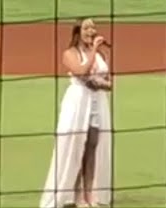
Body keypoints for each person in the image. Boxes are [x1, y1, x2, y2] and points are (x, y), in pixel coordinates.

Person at [41, 18, 113, 208]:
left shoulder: (101, 56)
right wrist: (94, 52)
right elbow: (81, 71)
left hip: (98, 104)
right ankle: (73, 194)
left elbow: (109, 82)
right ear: (78, 32)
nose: (91, 31)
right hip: (78, 104)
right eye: (86, 28)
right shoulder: (69, 53)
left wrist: (101, 84)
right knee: (75, 148)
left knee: (92, 148)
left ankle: (88, 195)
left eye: (93, 27)